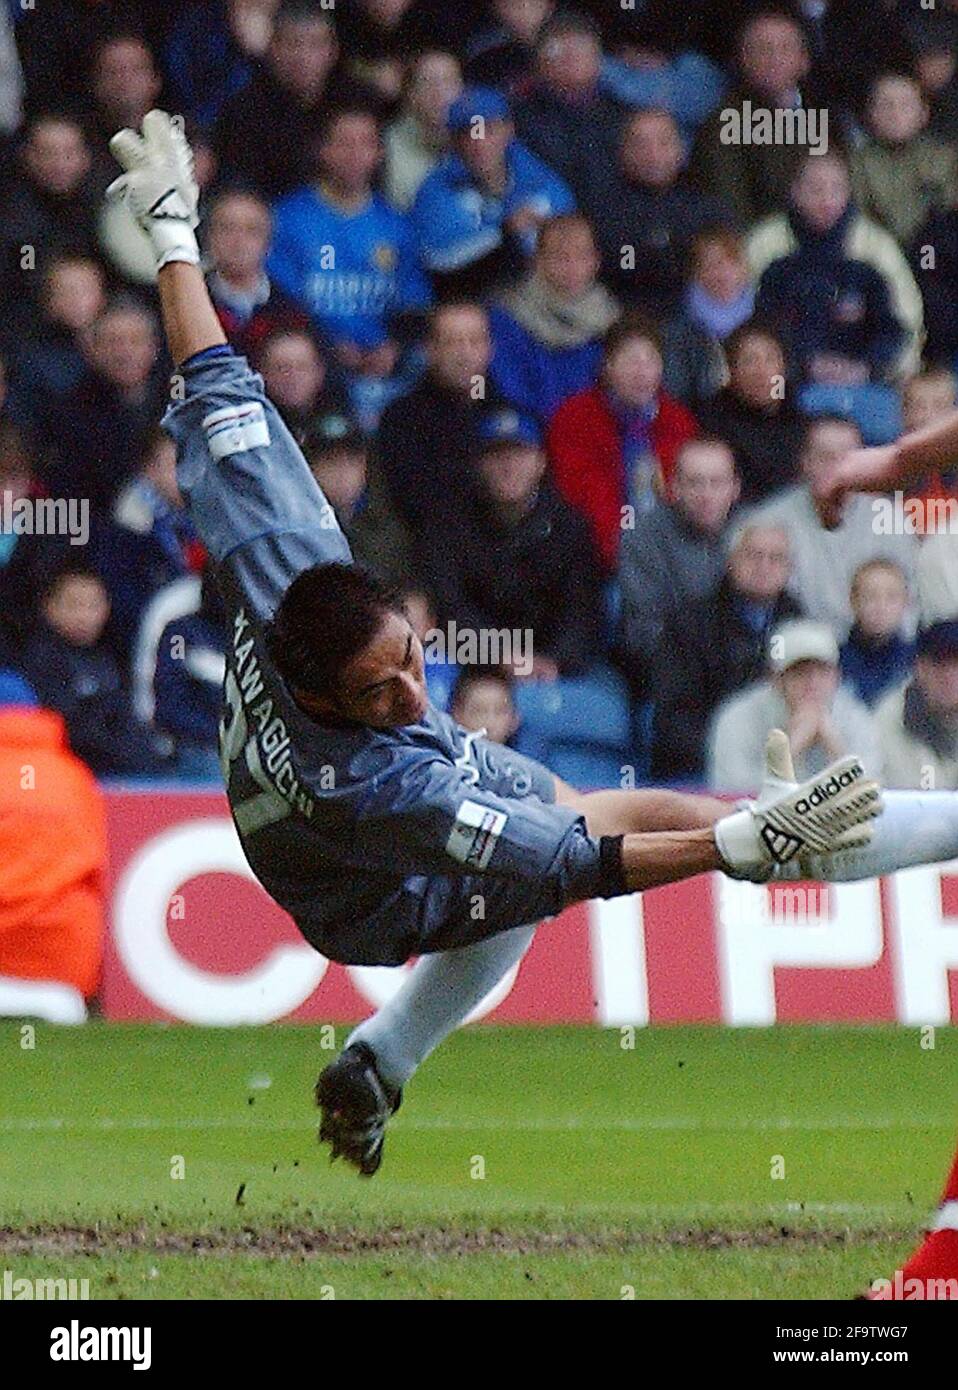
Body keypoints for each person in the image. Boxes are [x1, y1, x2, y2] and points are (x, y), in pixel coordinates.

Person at [106, 110, 883, 1175]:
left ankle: (376, 1068)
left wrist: (172, 236)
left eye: (409, 664)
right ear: (329, 698)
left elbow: (214, 374)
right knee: (533, 877)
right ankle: (390, 1050)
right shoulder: (381, 779)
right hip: (349, 884)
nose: (412, 699)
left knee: (572, 807)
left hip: (311, 770)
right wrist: (724, 853)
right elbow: (577, 860)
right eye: (379, 694)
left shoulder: (283, 549)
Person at [415, 408, 604, 680]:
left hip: (551, 667)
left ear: (541, 462)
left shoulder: (569, 526)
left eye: (520, 454)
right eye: (497, 455)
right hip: (471, 663)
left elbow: (582, 612)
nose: (509, 466)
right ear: (479, 465)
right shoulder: (448, 524)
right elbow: (449, 606)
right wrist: (499, 656)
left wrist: (554, 662)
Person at [650, 520, 801, 783]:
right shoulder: (689, 625)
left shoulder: (801, 625)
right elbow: (673, 722)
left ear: (790, 569)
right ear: (731, 560)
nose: (764, 567)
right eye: (754, 555)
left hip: (787, 762)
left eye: (776, 558)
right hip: (704, 765)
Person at [547, 313, 699, 570]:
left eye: (651, 361)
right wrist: (628, 555)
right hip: (597, 558)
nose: (642, 372)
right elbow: (583, 496)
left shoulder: (677, 420)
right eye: (631, 361)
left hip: (671, 559)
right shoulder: (575, 418)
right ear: (608, 366)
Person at [745, 415, 918, 637]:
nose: (836, 468)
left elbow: (910, 604)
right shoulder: (769, 521)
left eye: (845, 458)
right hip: (801, 652)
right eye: (824, 457)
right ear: (805, 462)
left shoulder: (890, 518)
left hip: (878, 651)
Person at [411, 85, 575, 301]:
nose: (479, 143)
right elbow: (440, 258)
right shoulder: (437, 190)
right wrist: (504, 232)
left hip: (542, 300)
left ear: (509, 130)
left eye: (488, 130)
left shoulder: (538, 178)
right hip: (473, 301)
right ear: (453, 141)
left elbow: (570, 236)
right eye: (467, 134)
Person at [16, 561, 173, 778]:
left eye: (92, 606)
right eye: (74, 605)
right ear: (49, 607)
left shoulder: (108, 658)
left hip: (126, 772)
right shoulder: (39, 660)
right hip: (68, 772)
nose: (84, 616)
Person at [617, 437, 742, 694]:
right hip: (671, 679)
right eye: (695, 482)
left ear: (735, 488)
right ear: (674, 487)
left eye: (717, 483)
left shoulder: (753, 532)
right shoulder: (641, 538)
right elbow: (644, 633)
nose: (706, 495)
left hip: (741, 673)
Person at [708, 620, 881, 792]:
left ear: (836, 676)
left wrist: (835, 747)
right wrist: (789, 750)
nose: (813, 683)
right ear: (776, 679)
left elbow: (872, 793)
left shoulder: (854, 716)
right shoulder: (738, 718)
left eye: (822, 672)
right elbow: (733, 794)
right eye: (800, 673)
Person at [487, 213, 619, 426]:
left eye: (582, 256)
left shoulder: (611, 320)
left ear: (596, 262)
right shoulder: (508, 317)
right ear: (538, 261)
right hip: (531, 427)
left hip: (593, 429)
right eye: (560, 257)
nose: (573, 267)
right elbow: (511, 388)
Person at [694, 320, 805, 505]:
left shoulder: (799, 416)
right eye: (749, 360)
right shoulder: (712, 419)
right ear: (732, 371)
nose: (761, 371)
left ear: (783, 368)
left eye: (770, 359)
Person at [872, 620, 958, 791]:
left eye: (957, 665)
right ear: (920, 668)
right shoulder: (888, 718)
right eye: (939, 664)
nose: (949, 676)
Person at [840, 559, 915, 708]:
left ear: (906, 602)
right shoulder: (835, 660)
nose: (881, 607)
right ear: (853, 601)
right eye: (870, 597)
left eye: (891, 598)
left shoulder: (916, 661)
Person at [449, 664, 519, 747]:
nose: (489, 723)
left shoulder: (524, 759)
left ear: (515, 719)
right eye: (479, 711)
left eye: (499, 711)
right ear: (457, 714)